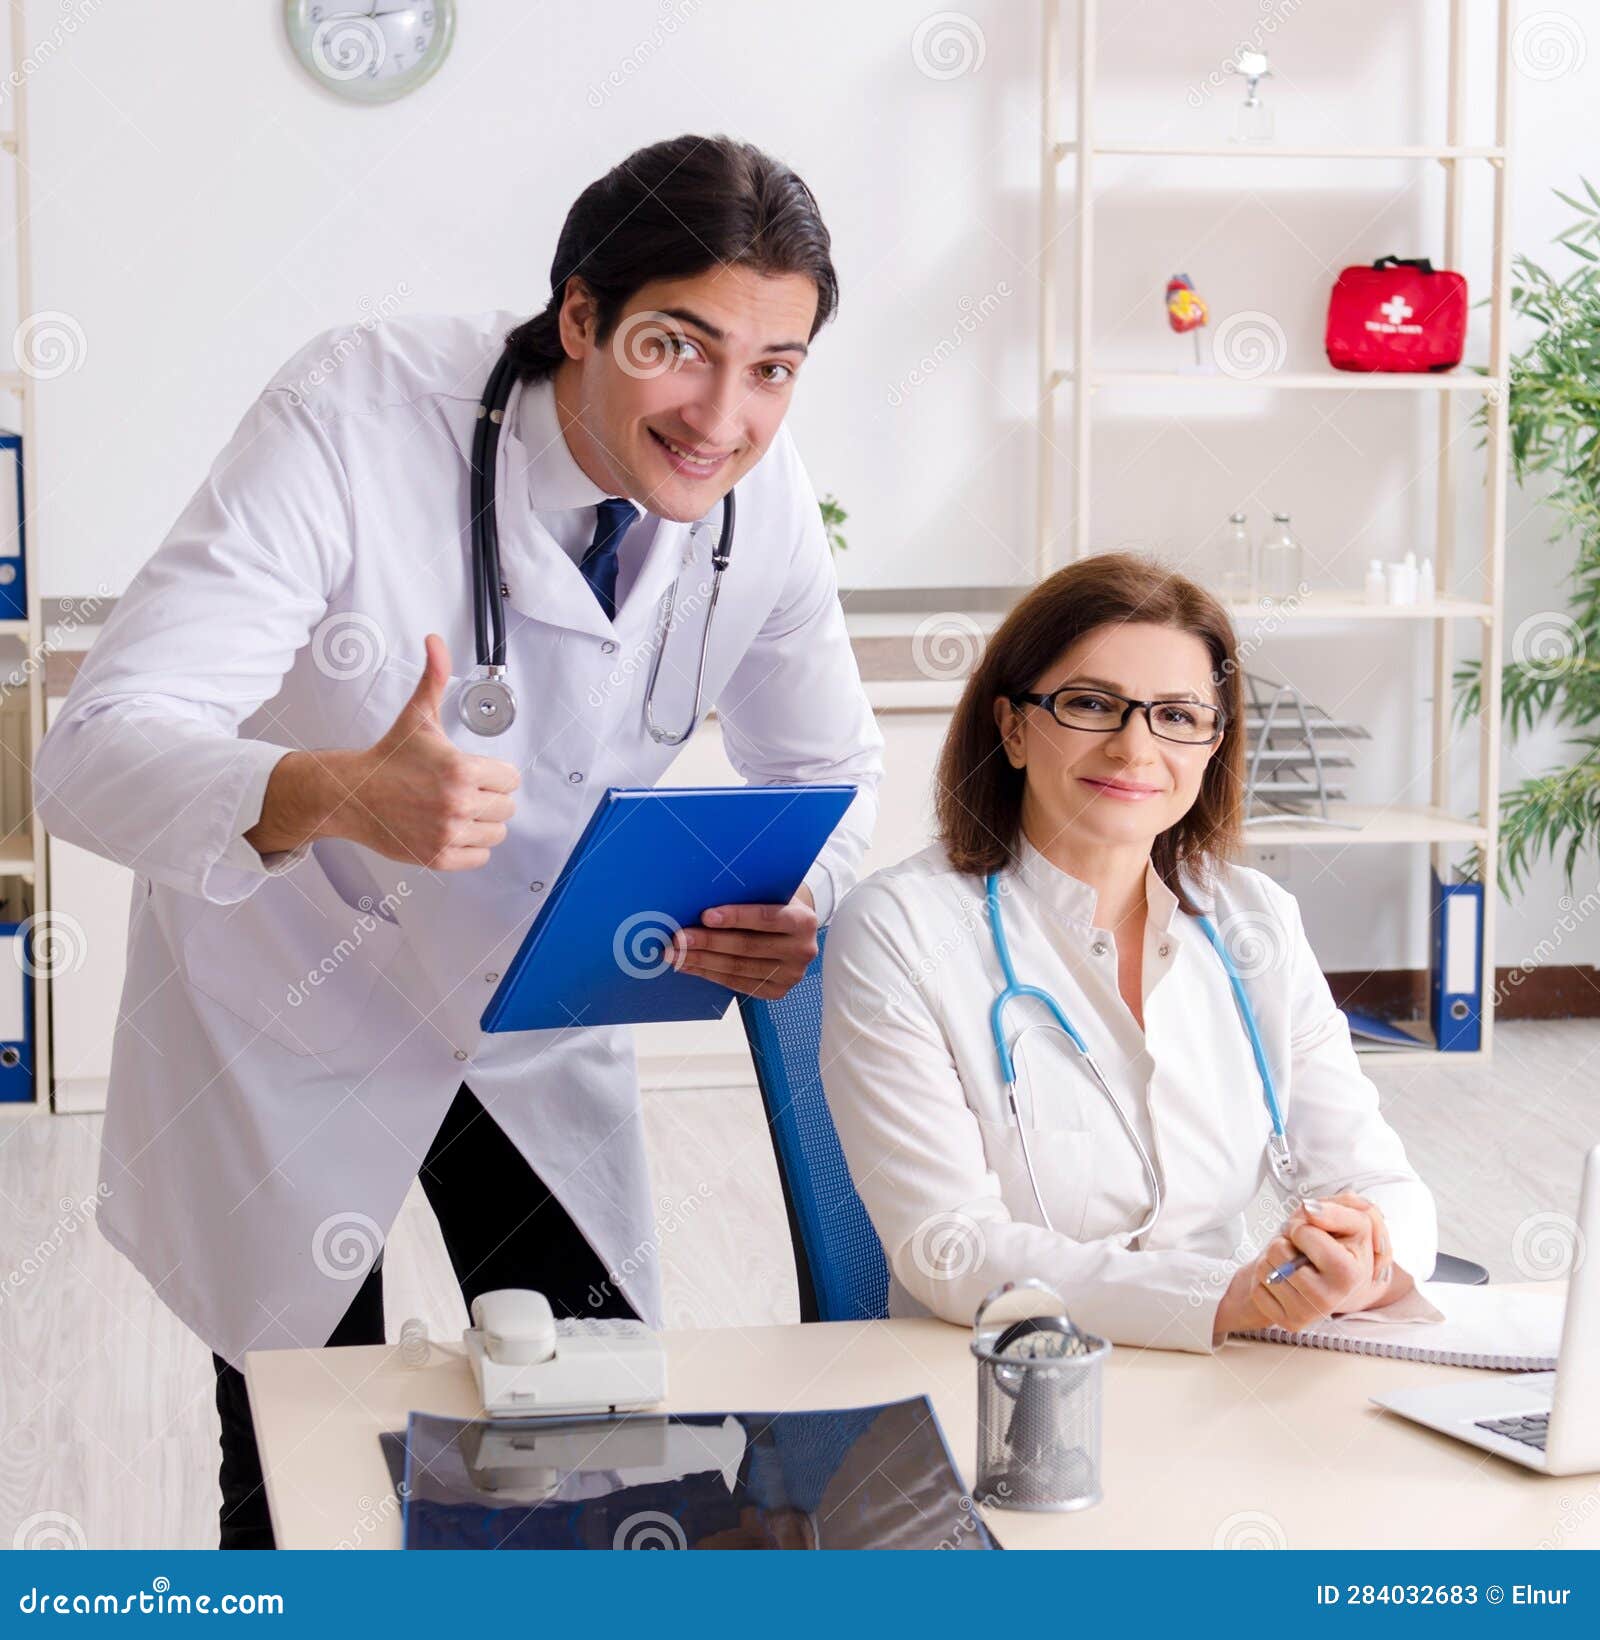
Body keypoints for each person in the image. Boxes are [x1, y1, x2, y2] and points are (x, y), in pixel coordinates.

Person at [35, 133, 882, 1547]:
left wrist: (799, 904)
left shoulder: (759, 505)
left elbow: (831, 777)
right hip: (295, 1005)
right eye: (680, 345)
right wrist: (327, 791)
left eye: (775, 368)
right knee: (295, 1463)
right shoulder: (352, 417)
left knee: (597, 1440)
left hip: (534, 1021)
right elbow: (97, 748)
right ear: (581, 317)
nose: (724, 415)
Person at [819, 552, 1434, 1352]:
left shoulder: (1256, 923)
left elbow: (1379, 1179)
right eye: (1091, 704)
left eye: (1178, 715)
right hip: (1011, 1380)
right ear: (1011, 728)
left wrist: (1366, 1258)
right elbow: (951, 1247)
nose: (1135, 747)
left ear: (1213, 743)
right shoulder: (900, 930)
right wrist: (1226, 1295)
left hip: (1231, 1368)